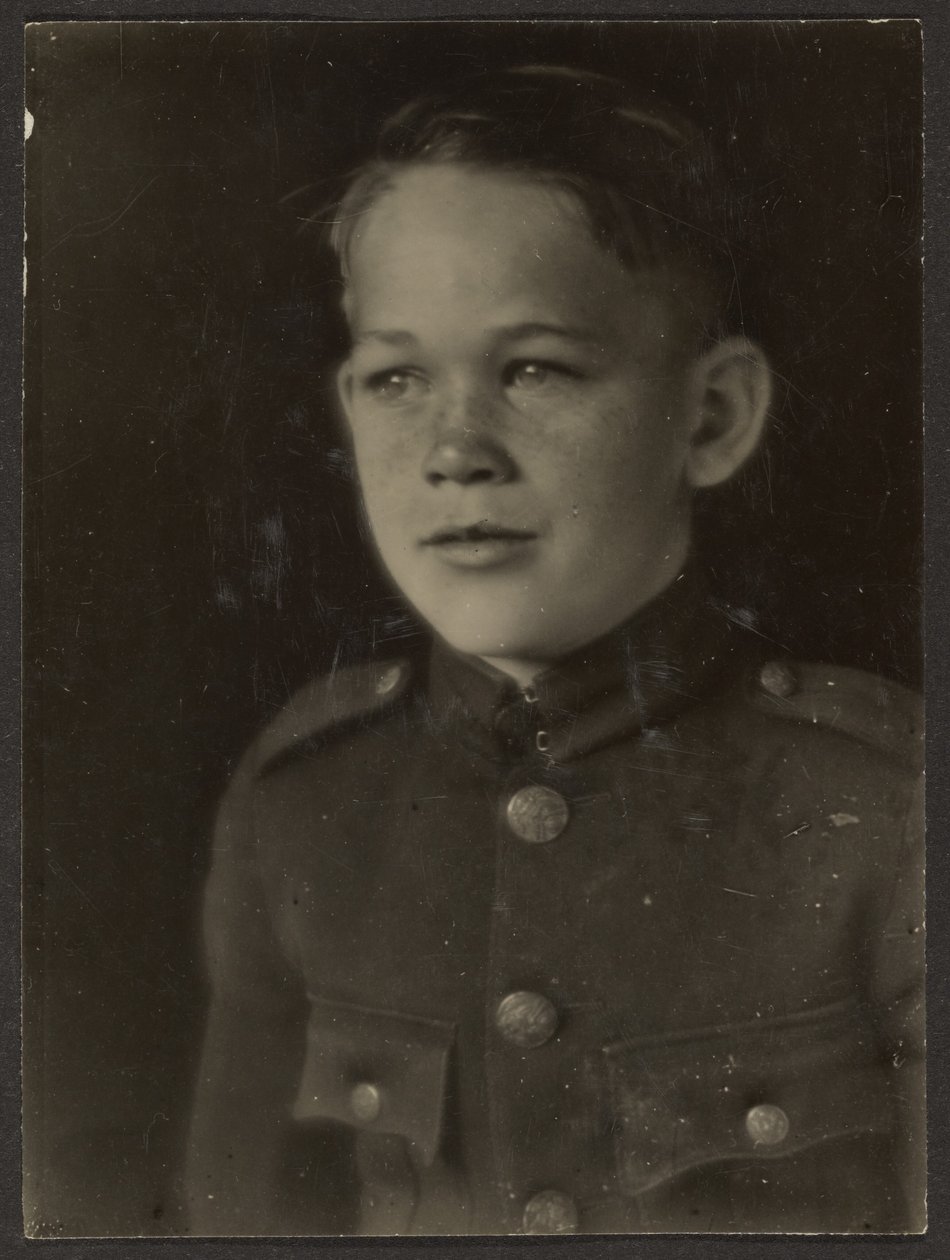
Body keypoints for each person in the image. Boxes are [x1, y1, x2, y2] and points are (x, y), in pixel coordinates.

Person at [184, 65, 924, 1235]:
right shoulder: (301, 804)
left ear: (714, 417)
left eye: (533, 368)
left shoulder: (889, 810)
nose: (454, 450)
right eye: (395, 378)